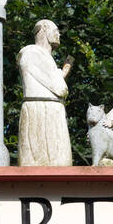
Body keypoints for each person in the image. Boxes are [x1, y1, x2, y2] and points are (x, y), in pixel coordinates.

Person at [17, 20, 73, 166]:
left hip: (49, 108)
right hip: (41, 109)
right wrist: (60, 74)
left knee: (59, 163)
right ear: (45, 29)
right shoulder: (32, 53)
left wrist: (59, 73)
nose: (58, 33)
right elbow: (61, 89)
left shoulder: (44, 57)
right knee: (42, 161)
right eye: (55, 30)